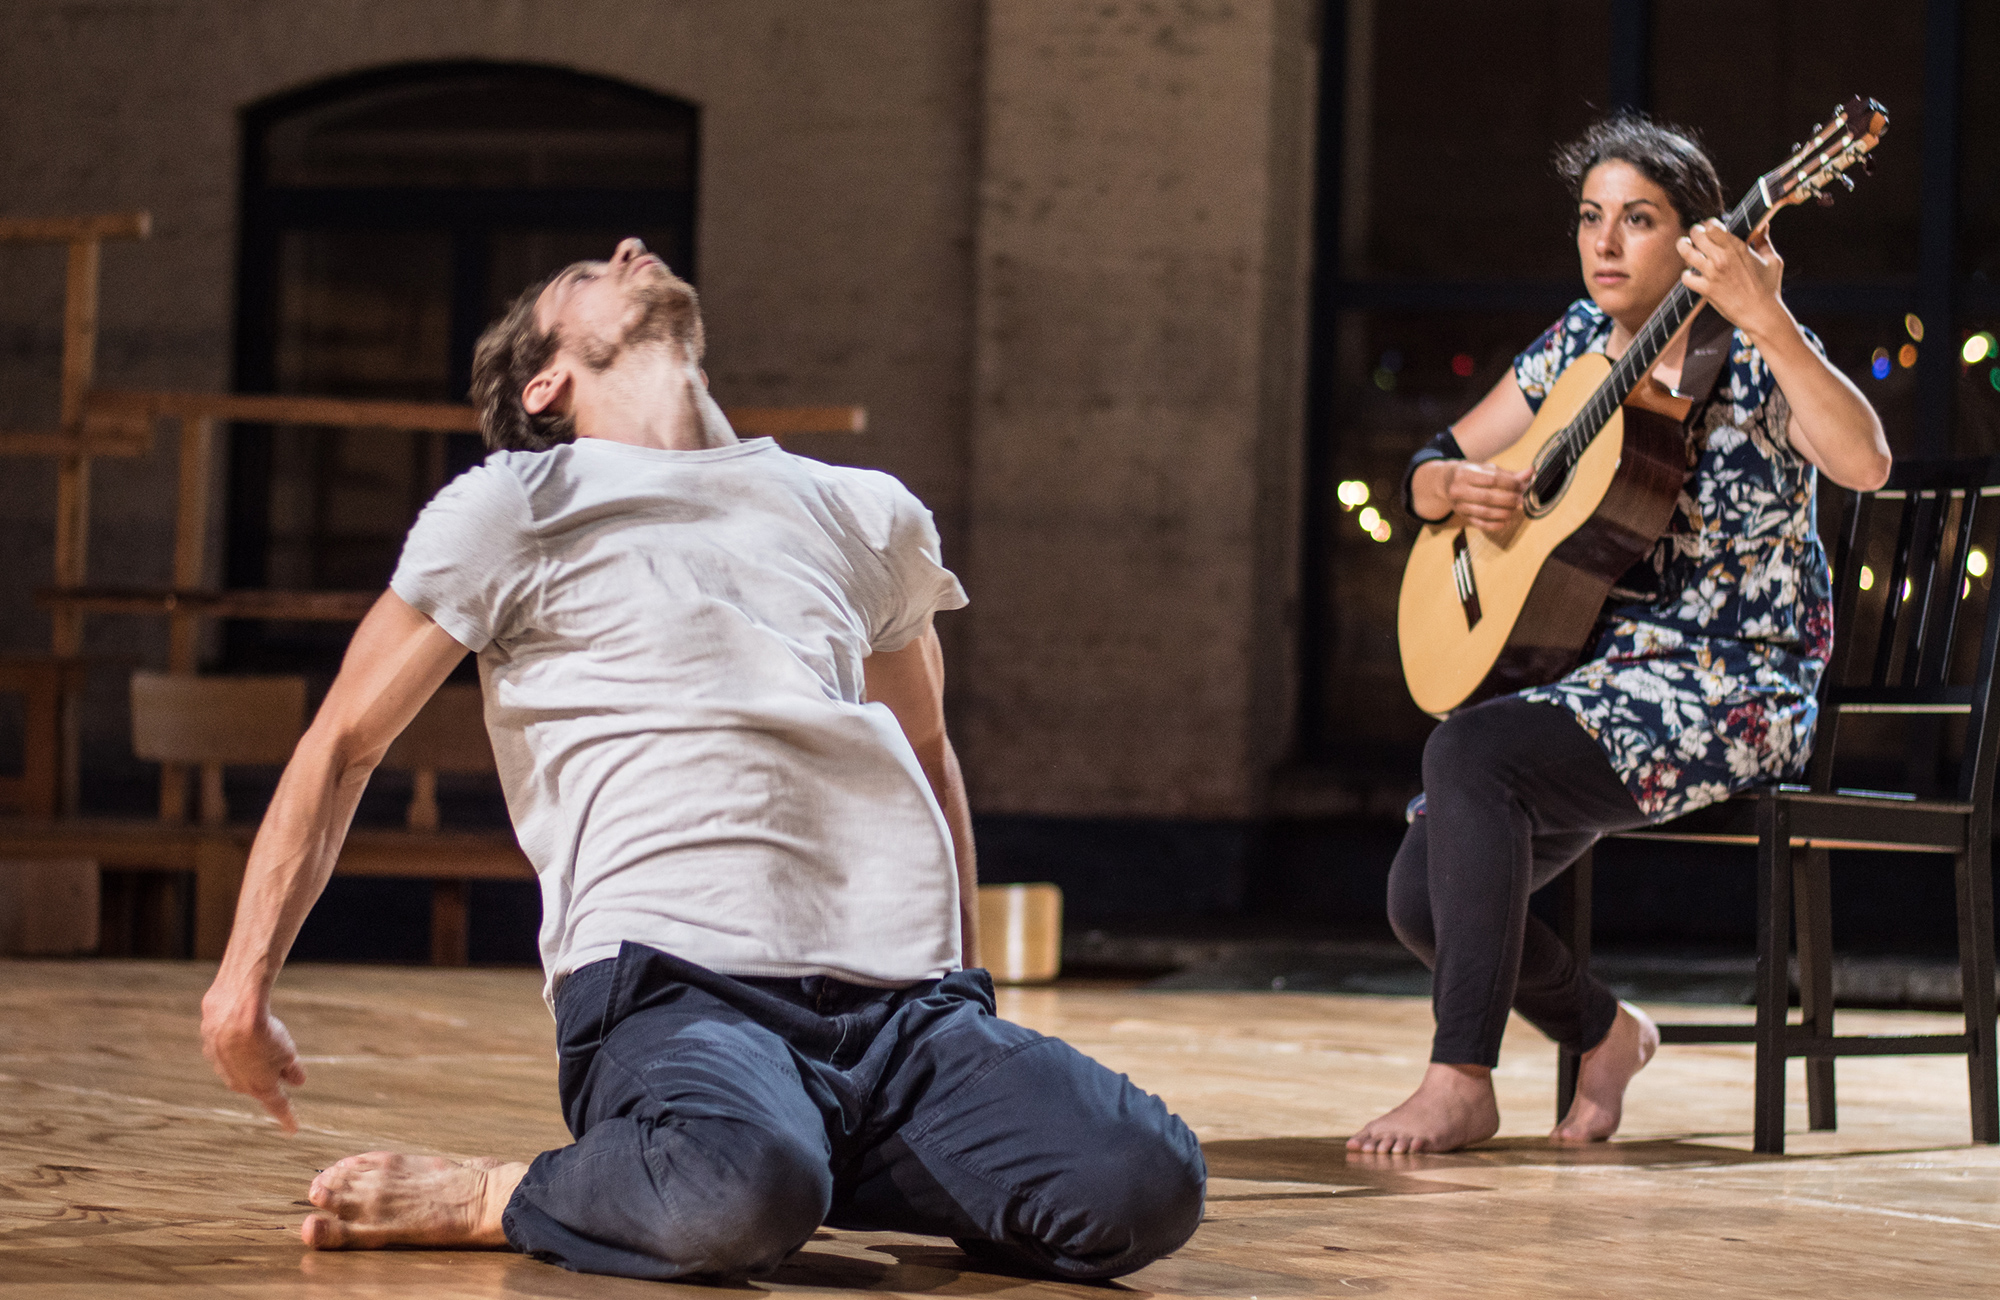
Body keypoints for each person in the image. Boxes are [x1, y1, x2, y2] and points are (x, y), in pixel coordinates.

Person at [198, 238, 1206, 1280]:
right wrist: (242, 984)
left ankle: (800, 1156)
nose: (630, 250)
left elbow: (921, 747)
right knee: (740, 1184)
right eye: (586, 273)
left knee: (1143, 1183)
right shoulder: (516, 508)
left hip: (899, 1013)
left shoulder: (862, 511)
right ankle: (509, 1192)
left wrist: (958, 985)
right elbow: (343, 743)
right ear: (546, 383)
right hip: (680, 995)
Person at [1350, 114, 1891, 1155]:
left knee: (1468, 750)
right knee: (1419, 896)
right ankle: (1602, 1034)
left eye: (1635, 221)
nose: (1603, 243)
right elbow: (1432, 458)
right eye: (1590, 218)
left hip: (1734, 685)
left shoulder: (1751, 346)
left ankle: (1459, 1078)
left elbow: (1863, 462)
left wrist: (1769, 317)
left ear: (1696, 236)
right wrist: (1445, 486)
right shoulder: (1570, 346)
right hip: (1599, 682)